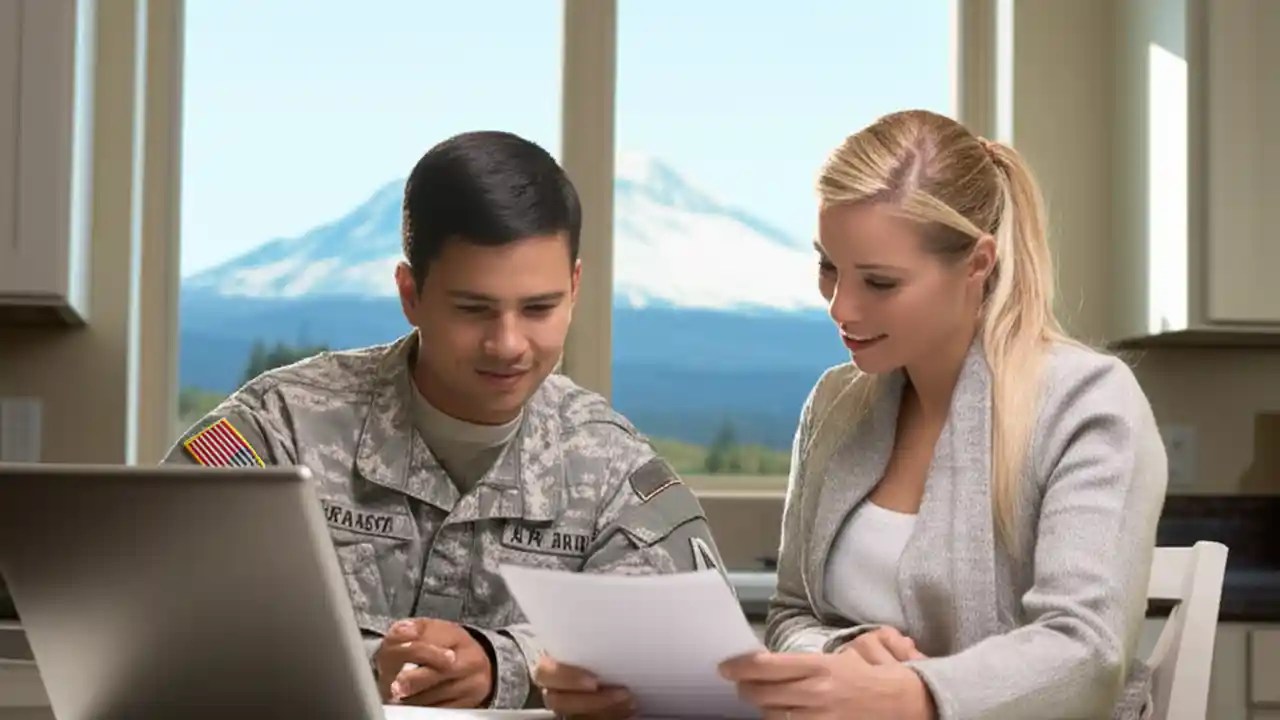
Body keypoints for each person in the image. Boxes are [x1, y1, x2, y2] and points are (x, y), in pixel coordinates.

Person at [536, 109, 1167, 720]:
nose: (840, 307)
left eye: (880, 283)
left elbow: (1085, 652)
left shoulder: (1086, 402)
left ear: (978, 263)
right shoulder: (835, 406)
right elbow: (790, 615)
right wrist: (838, 653)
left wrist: (911, 695)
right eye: (827, 268)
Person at [163, 130, 726, 711]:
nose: (507, 345)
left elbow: (688, 647)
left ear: (575, 289)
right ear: (410, 293)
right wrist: (366, 666)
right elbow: (156, 611)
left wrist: (500, 662)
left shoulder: (610, 467)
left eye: (539, 308)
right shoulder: (281, 429)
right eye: (473, 309)